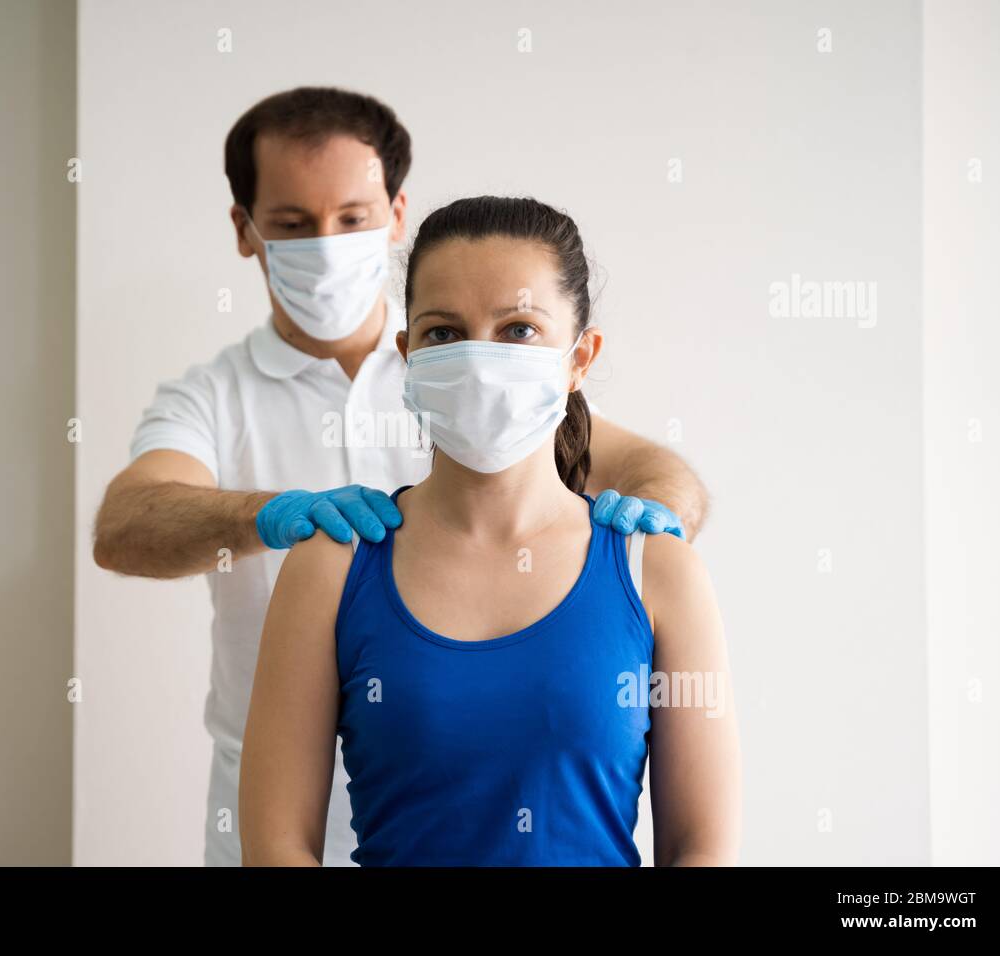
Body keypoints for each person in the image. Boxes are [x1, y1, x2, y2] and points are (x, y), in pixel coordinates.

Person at [92, 87, 712, 867]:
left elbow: (656, 470)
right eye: (292, 222)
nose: (326, 242)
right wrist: (272, 515)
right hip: (292, 805)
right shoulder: (217, 403)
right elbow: (126, 528)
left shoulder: (465, 363)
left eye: (352, 217)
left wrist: (640, 555)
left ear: (393, 212)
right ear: (246, 230)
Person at [238, 196, 740, 866]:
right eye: (444, 333)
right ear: (407, 353)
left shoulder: (660, 572)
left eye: (519, 329)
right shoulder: (330, 567)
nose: (479, 359)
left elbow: (703, 849)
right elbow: (277, 849)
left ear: (580, 357)